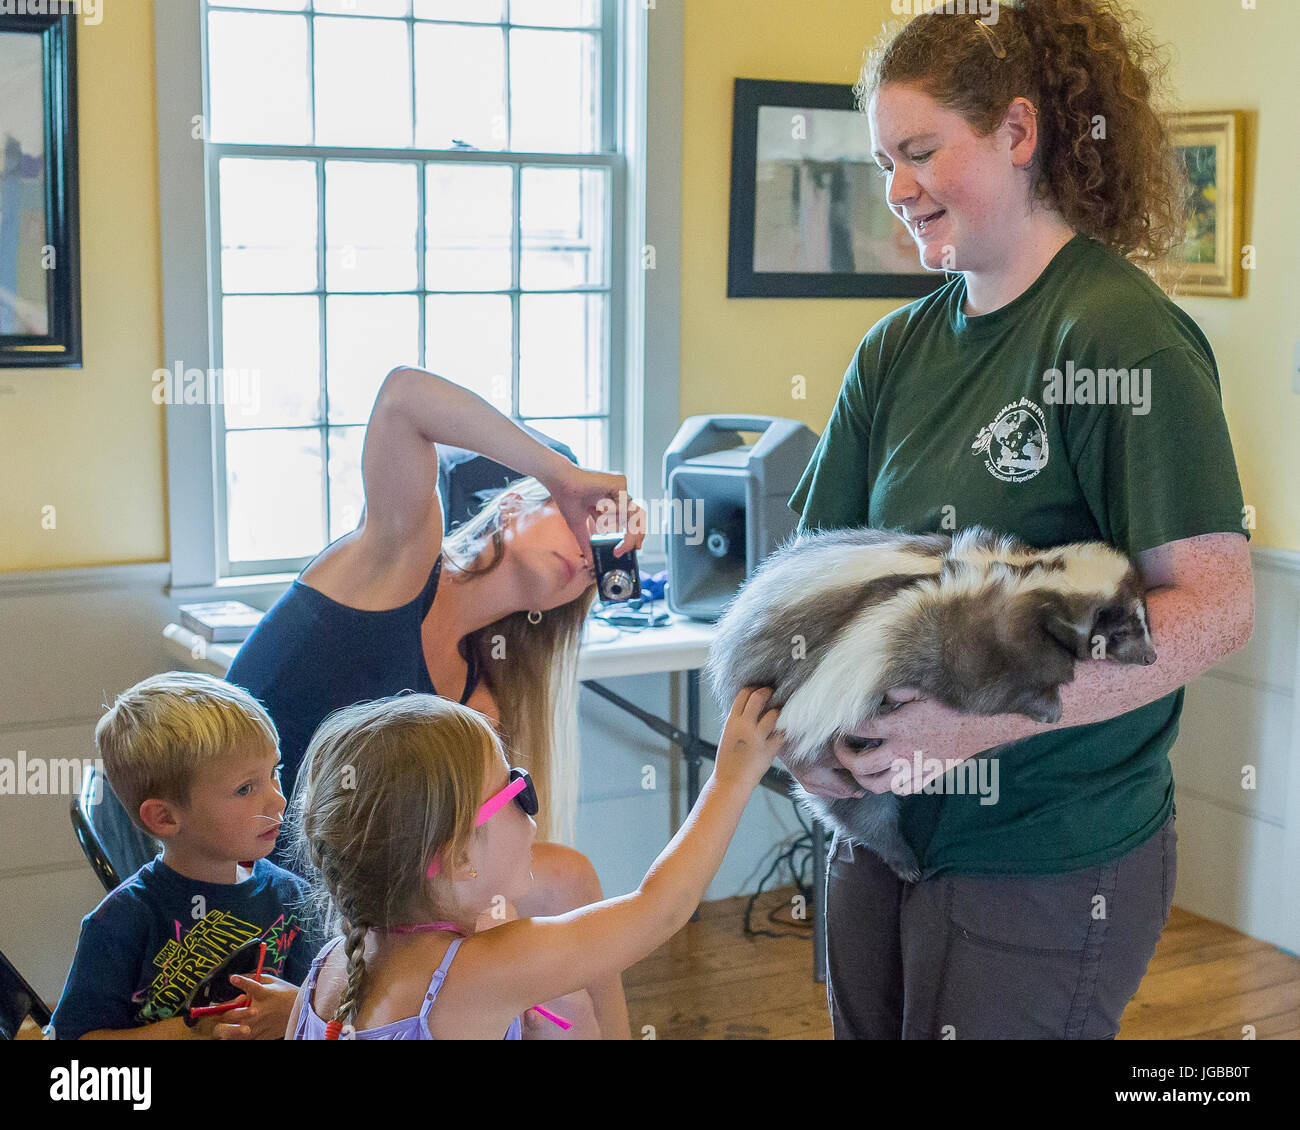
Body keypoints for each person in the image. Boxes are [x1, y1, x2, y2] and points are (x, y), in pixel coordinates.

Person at [785, 0, 1254, 1039]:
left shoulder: (1118, 334)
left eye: (919, 152)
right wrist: (799, 734)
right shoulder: (893, 351)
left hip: (1049, 848)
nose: (897, 191)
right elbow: (813, 575)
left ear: (1016, 132)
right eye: (881, 163)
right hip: (879, 828)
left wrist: (974, 725)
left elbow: (1215, 606)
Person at [226, 364, 644, 1038]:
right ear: (513, 505)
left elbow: (473, 847)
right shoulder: (397, 561)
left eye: (598, 556)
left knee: (568, 889)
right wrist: (563, 475)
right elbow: (403, 396)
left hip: (370, 892)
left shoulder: (485, 685)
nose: (585, 556)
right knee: (544, 941)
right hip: (262, 877)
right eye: (573, 522)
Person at [284, 688, 781, 1040]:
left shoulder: (328, 968)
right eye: (516, 791)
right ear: (457, 855)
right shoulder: (483, 969)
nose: (531, 804)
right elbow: (660, 909)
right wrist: (730, 778)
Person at [52, 673, 314, 1040]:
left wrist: (299, 1007)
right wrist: (193, 1031)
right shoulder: (119, 923)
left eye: (275, 772)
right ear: (165, 818)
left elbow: (332, 1006)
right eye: (245, 788)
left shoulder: (295, 899)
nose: (278, 799)